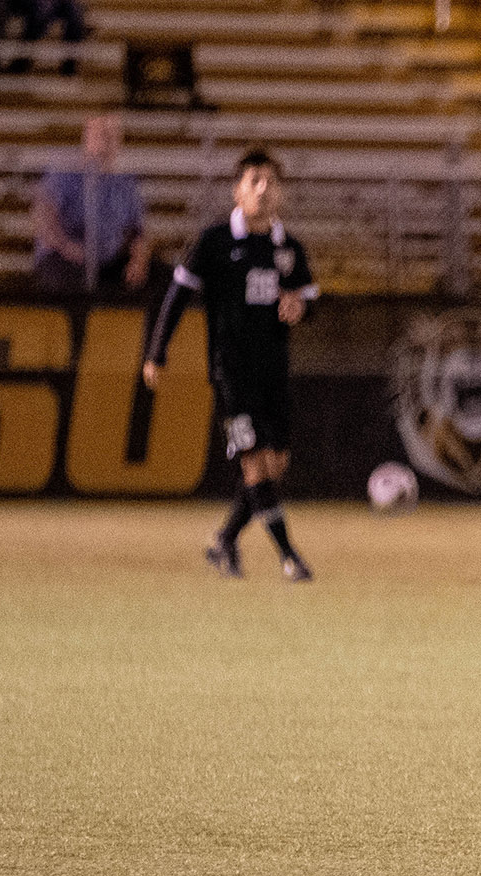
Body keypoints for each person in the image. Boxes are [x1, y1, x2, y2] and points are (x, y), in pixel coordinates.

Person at [142, 148, 319, 583]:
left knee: (275, 466)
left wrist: (300, 307)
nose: (263, 189)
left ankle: (224, 541)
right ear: (236, 191)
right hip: (231, 373)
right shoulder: (215, 242)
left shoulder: (289, 248)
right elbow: (177, 297)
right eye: (254, 181)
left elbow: (309, 299)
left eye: (270, 182)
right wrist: (156, 352)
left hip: (274, 371)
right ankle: (289, 556)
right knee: (254, 464)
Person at [32, 112, 153, 296]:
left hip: (108, 259)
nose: (107, 142)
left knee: (164, 278)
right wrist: (68, 247)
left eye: (112, 136)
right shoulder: (64, 172)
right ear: (87, 138)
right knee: (74, 284)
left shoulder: (126, 182)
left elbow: (139, 231)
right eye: (102, 135)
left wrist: (138, 261)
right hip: (64, 256)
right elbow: (43, 217)